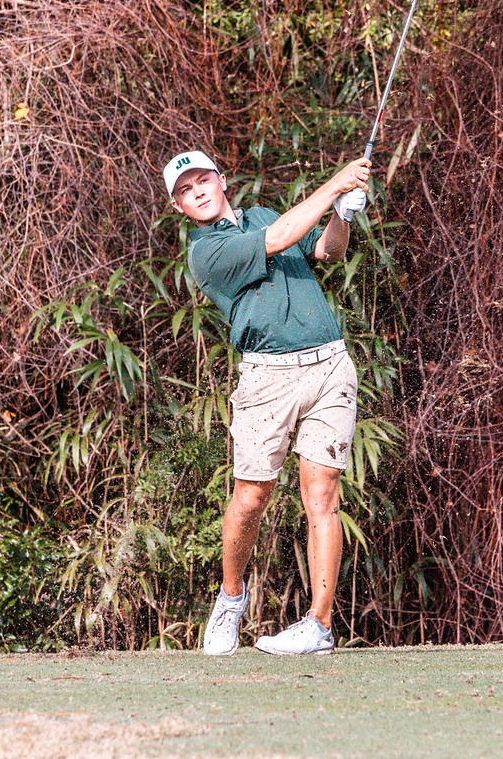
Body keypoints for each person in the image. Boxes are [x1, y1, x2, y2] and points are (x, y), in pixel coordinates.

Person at [162, 149, 370, 655]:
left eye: (203, 180)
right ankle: (231, 597)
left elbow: (326, 252)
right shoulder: (206, 251)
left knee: (323, 496)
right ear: (178, 206)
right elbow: (278, 240)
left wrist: (342, 215)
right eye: (186, 190)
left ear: (221, 180)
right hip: (267, 378)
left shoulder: (261, 214)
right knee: (251, 497)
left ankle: (319, 626)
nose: (198, 192)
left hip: (330, 366)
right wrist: (335, 184)